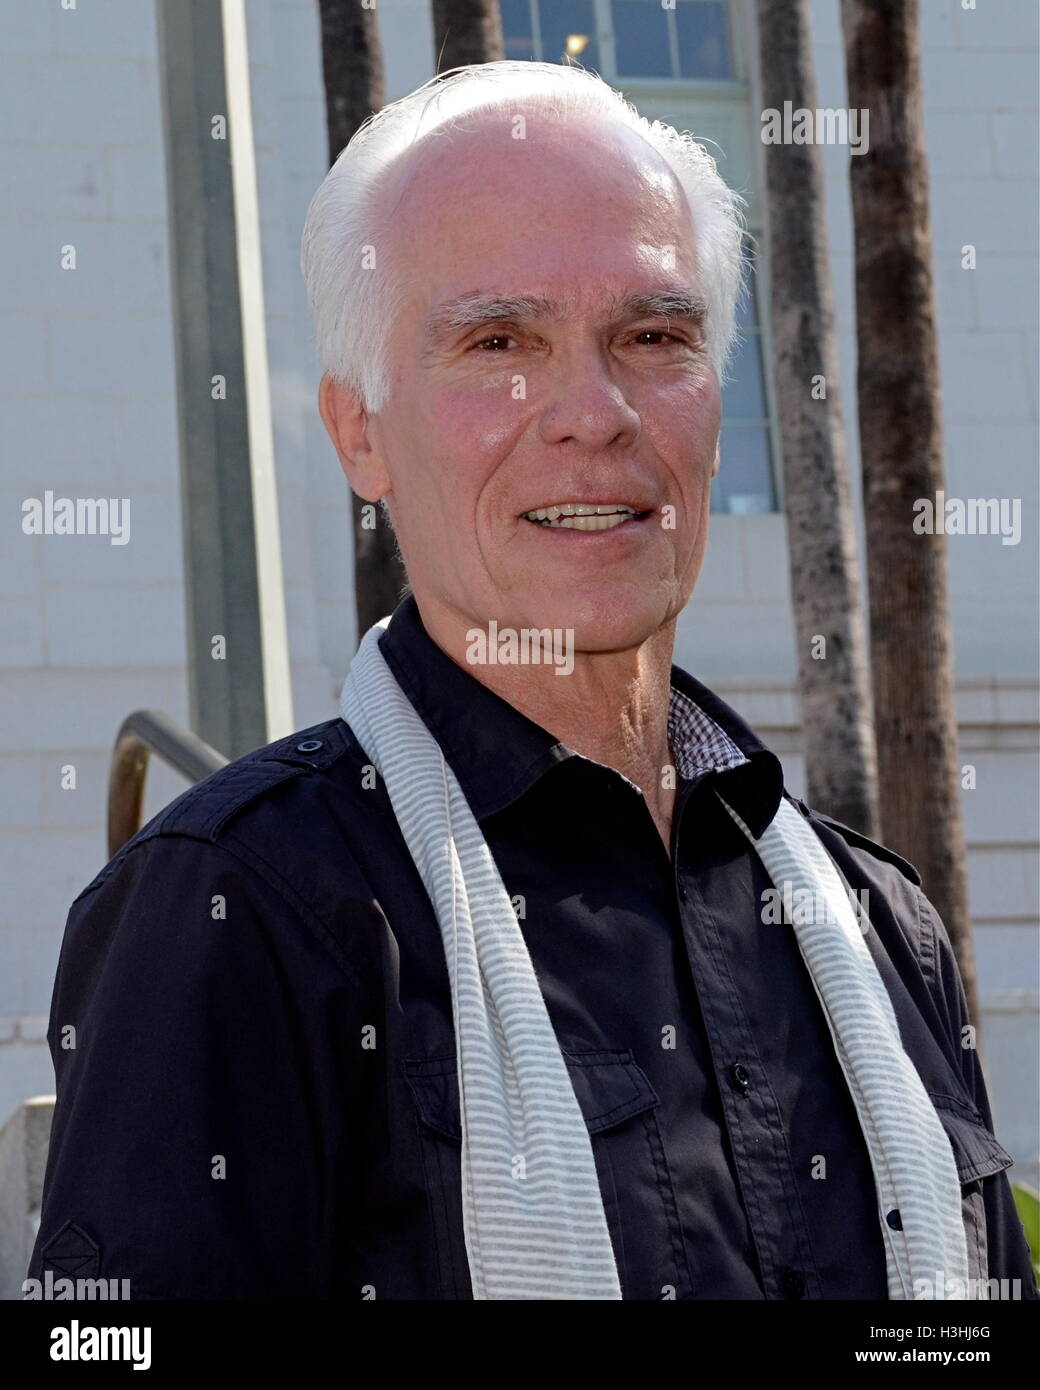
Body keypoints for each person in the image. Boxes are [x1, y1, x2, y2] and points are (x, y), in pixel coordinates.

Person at [28, 61, 1036, 1301]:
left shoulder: (877, 925)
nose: (592, 412)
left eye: (652, 337)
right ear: (359, 431)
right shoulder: (240, 914)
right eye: (498, 341)